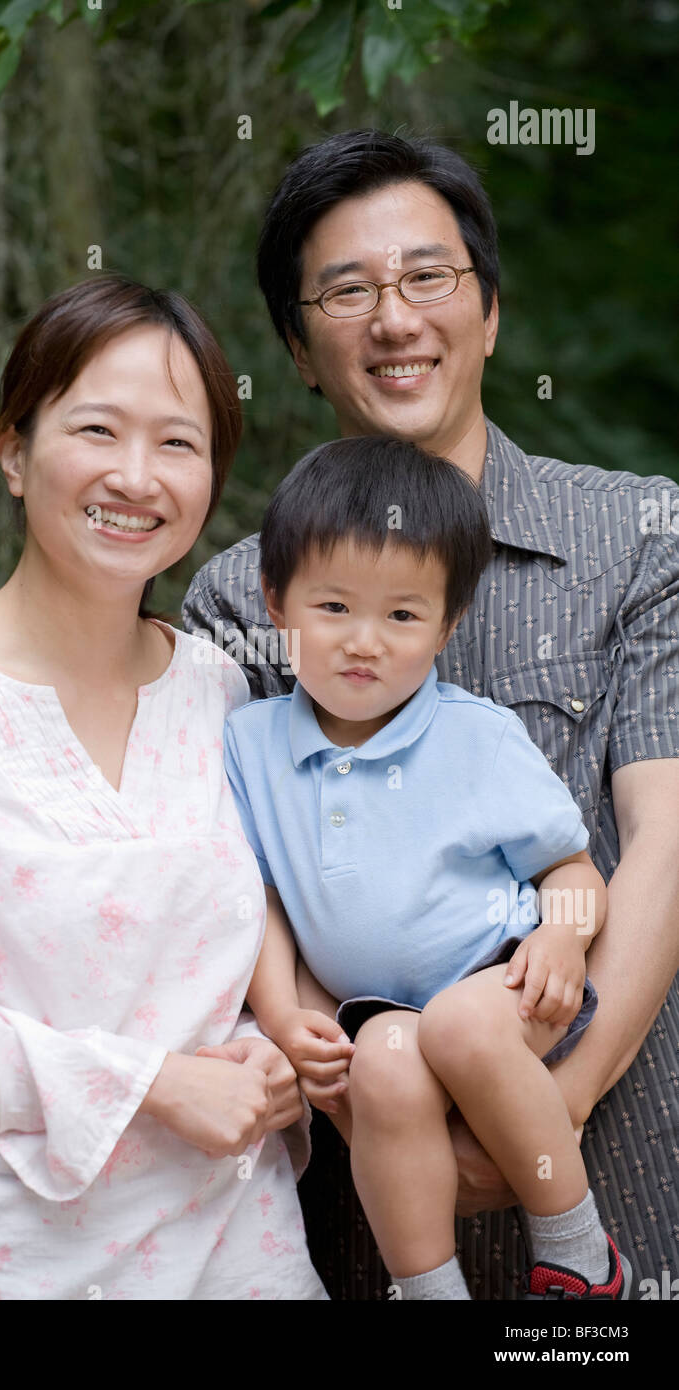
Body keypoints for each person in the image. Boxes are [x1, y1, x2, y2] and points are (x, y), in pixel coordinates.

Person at [182, 129, 679, 1299]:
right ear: (300, 350)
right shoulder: (233, 599)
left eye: (426, 276)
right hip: (366, 1212)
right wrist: (358, 1094)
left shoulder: (637, 537)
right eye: (345, 291)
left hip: (623, 1161)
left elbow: (661, 837)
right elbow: (219, 871)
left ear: (489, 312)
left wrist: (552, 1102)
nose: (392, 317)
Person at [0, 274, 328, 1301]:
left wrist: (273, 1056)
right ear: (13, 450)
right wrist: (147, 1085)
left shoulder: (222, 691)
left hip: (238, 1249)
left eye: (177, 443)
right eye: (97, 429)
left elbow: (245, 948)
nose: (136, 476)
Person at [224, 435, 632, 1300]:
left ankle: (582, 1255)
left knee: (457, 1026)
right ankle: (429, 1290)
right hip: (379, 1017)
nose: (364, 643)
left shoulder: (473, 735)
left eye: (403, 617)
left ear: (447, 625)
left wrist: (561, 943)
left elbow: (569, 868)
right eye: (333, 608)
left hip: (502, 984)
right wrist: (281, 1011)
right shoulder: (248, 744)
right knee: (386, 1061)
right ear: (275, 601)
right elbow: (257, 896)